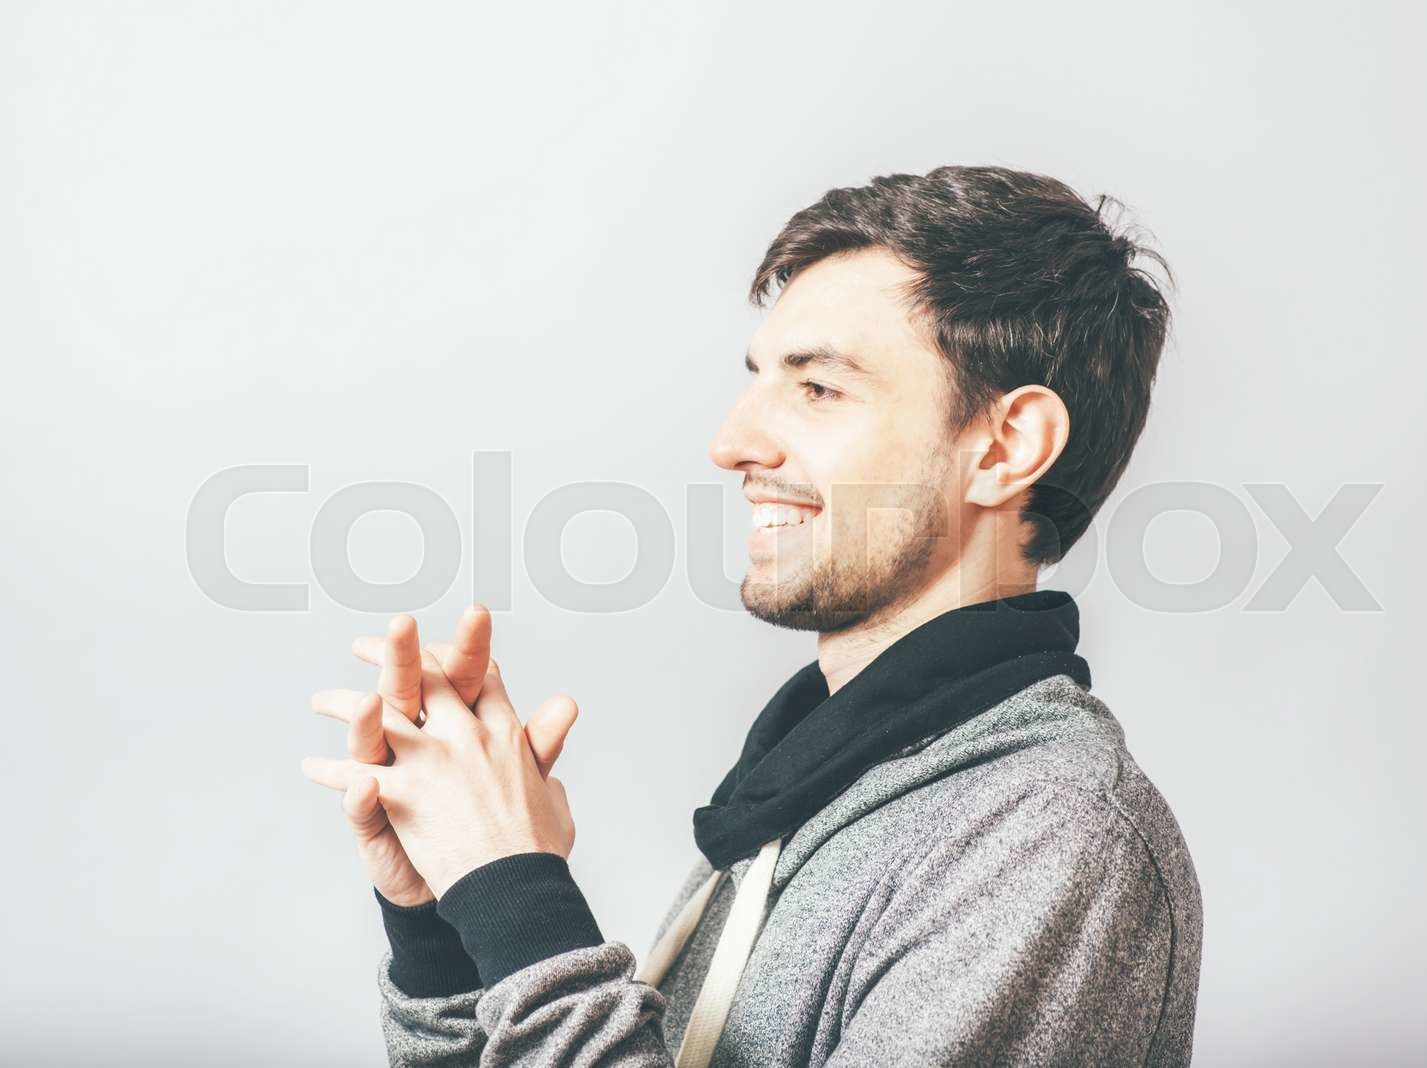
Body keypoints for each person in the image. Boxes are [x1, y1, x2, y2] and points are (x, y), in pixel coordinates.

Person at [302, 165, 1203, 1066]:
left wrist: (519, 896)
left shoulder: (1052, 839)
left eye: (818, 388)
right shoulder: (813, 786)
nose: (732, 444)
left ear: (1007, 446)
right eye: (760, 379)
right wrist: (453, 924)